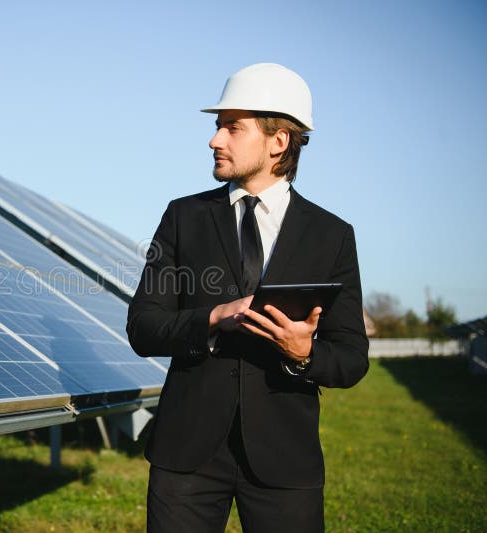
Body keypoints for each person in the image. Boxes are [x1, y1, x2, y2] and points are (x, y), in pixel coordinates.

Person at [126, 63, 369, 532]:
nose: (215, 139)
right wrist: (212, 317)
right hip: (186, 454)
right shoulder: (182, 217)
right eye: (217, 127)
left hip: (285, 458)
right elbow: (142, 325)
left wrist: (303, 354)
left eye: (232, 128)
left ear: (279, 141)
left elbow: (352, 358)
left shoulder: (332, 236)